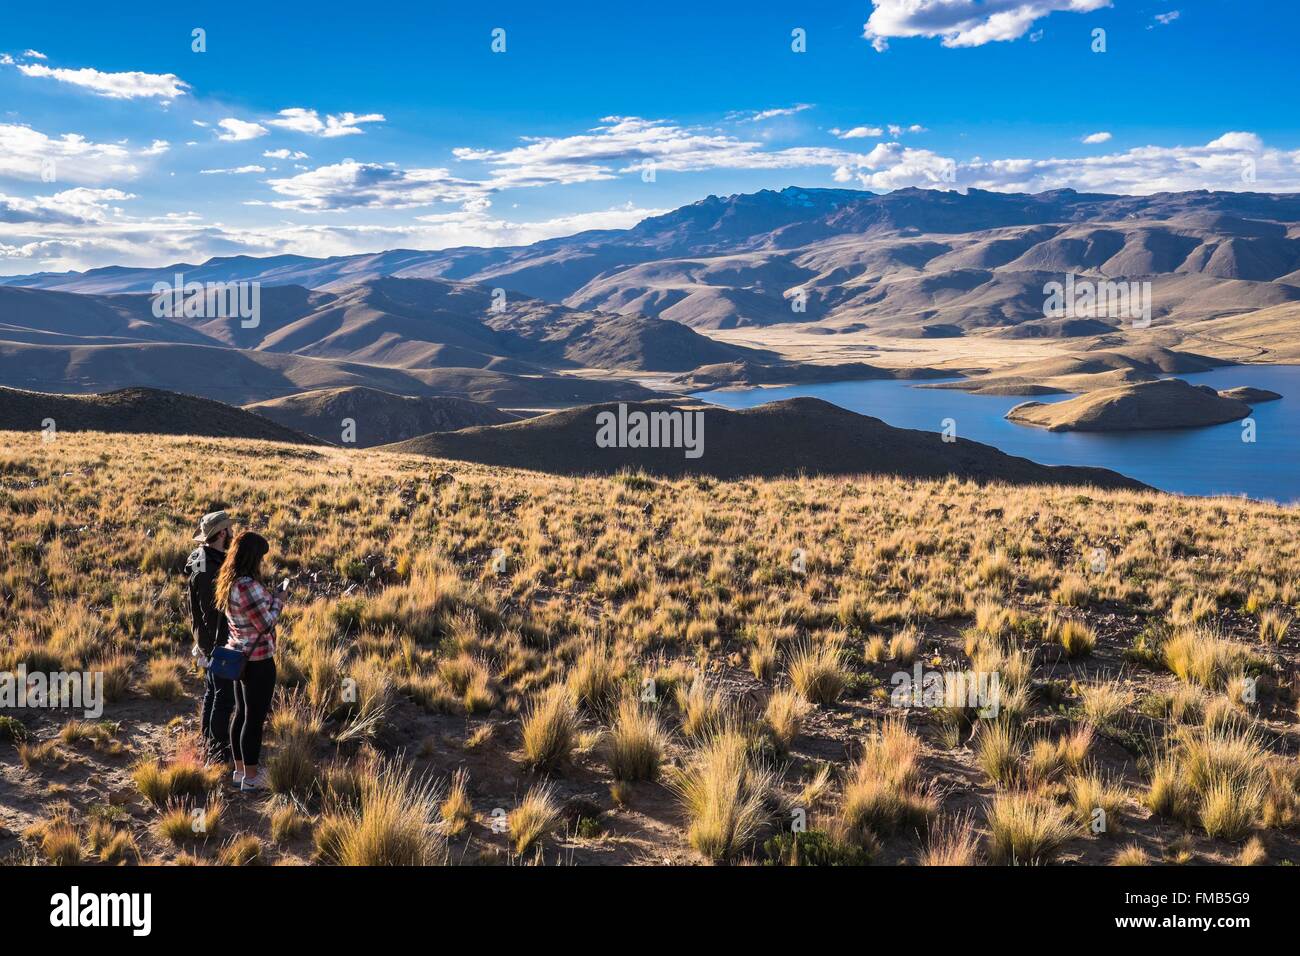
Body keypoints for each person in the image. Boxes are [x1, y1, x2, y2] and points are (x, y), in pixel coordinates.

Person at [214, 531, 285, 792]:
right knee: (254, 719)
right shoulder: (247, 585)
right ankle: (252, 778)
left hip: (239, 656)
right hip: (257, 660)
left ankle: (240, 771)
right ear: (253, 557)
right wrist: (279, 601)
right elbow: (265, 623)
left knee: (242, 713)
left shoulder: (230, 581)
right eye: (261, 558)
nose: (262, 563)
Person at [186, 511, 234, 766]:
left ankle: (209, 742)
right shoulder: (207, 566)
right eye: (230, 530)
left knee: (213, 693)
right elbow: (208, 611)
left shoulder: (204, 559)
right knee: (223, 697)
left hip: (208, 640)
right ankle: (217, 751)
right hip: (216, 642)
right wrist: (216, 646)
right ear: (223, 533)